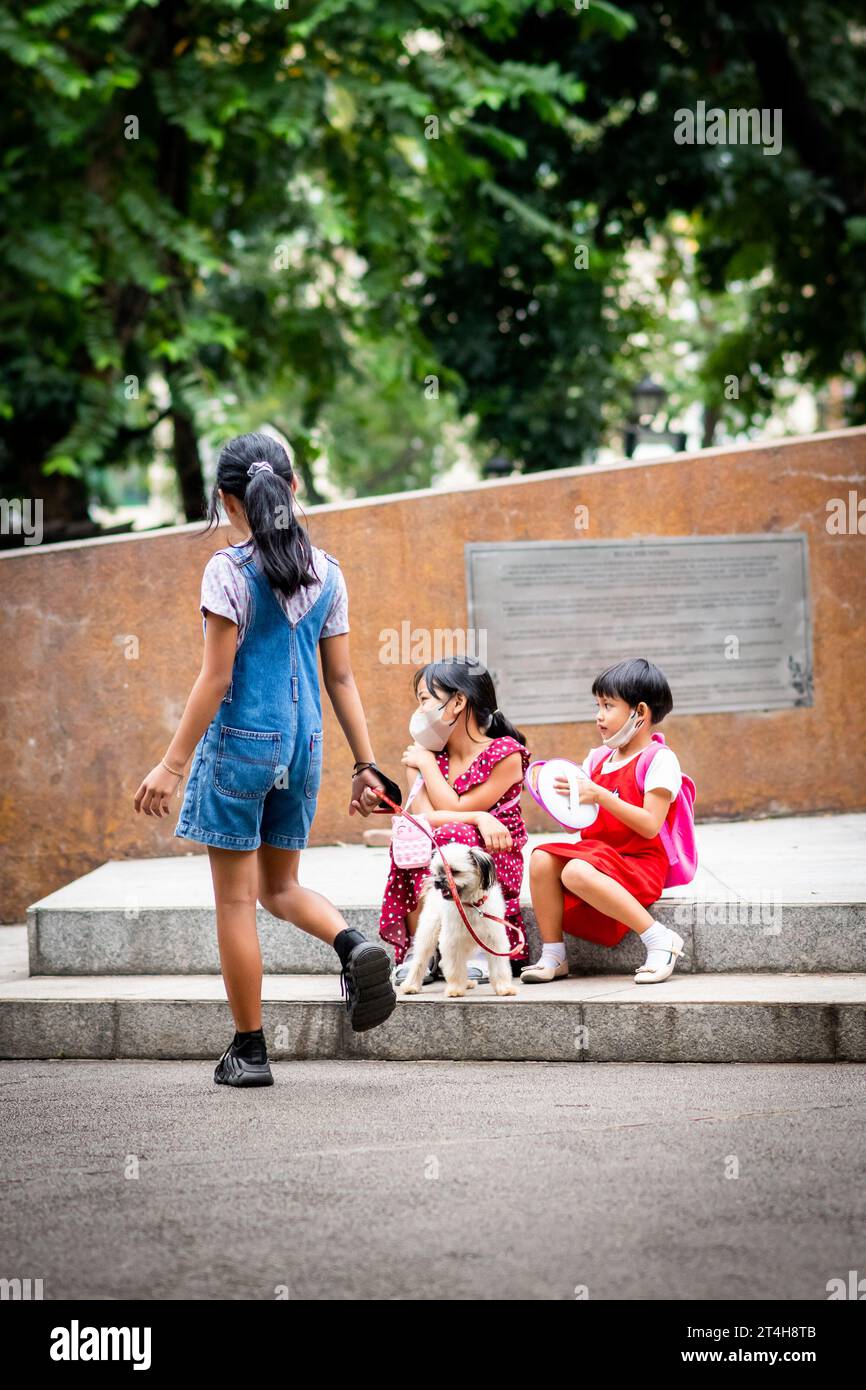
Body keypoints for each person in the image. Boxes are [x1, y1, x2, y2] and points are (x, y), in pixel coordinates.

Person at [133, 431, 395, 1087]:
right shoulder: (327, 571)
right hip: (305, 750)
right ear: (294, 489)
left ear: (227, 501)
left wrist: (171, 762)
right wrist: (367, 764)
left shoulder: (228, 570)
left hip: (242, 749)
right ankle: (353, 944)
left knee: (237, 903)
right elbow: (341, 679)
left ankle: (249, 1051)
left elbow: (215, 679)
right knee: (281, 887)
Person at [523, 657, 685, 985]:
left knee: (575, 870)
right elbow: (577, 823)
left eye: (608, 705)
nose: (599, 715)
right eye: (597, 704)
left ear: (639, 712)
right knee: (541, 858)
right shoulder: (597, 758)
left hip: (639, 864)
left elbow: (651, 825)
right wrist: (558, 799)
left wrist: (601, 795)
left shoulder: (659, 759)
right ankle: (554, 955)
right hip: (598, 857)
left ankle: (659, 939)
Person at [378, 656, 531, 983]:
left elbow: (457, 807)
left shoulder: (506, 753)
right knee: (418, 839)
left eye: (424, 700)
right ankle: (424, 950)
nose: (419, 711)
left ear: (458, 701)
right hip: (438, 854)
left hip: (491, 858)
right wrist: (479, 816)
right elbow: (426, 817)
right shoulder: (424, 757)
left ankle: (473, 949)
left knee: (455, 833)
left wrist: (428, 766)